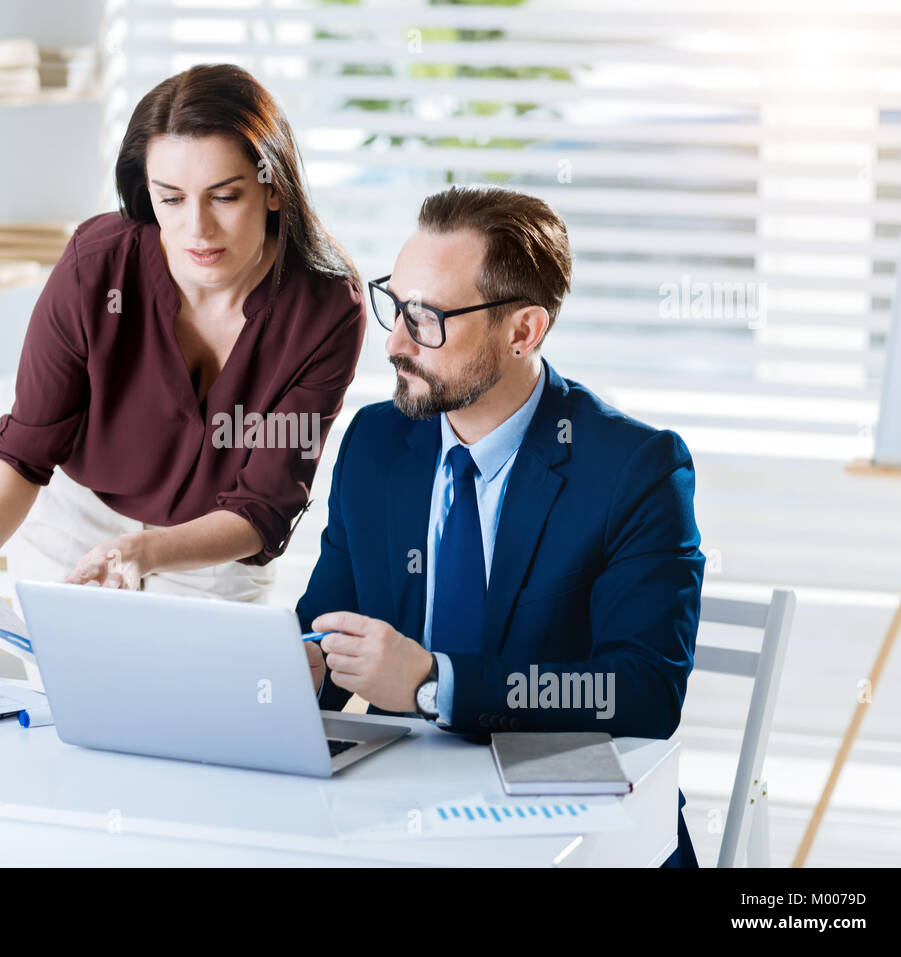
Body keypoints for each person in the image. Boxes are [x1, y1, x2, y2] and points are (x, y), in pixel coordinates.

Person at [296, 185, 705, 867]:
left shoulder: (635, 468)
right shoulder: (376, 443)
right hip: (398, 820)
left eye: (426, 318)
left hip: (569, 826)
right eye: (396, 306)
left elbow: (640, 689)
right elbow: (329, 626)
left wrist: (436, 682)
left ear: (523, 331)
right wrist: (297, 671)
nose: (396, 342)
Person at [0, 64, 364, 615]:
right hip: (74, 530)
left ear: (273, 190)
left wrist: (144, 549)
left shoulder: (323, 311)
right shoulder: (97, 265)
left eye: (224, 196)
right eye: (171, 199)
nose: (197, 229)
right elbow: (28, 445)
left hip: (212, 547)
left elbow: (262, 505)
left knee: (203, 699)